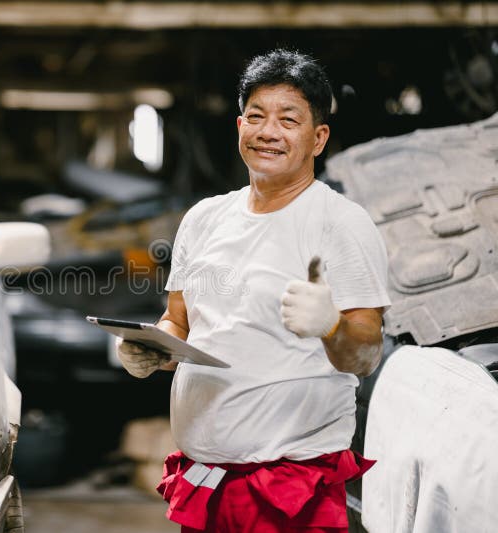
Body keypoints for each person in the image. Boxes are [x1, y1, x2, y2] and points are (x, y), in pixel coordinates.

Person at [117, 49, 391, 532]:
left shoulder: (341, 223)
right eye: (257, 116)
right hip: (207, 480)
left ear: (319, 138)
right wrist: (152, 348)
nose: (269, 131)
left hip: (292, 489)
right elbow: (178, 322)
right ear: (239, 126)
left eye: (289, 120)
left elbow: (366, 356)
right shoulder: (204, 219)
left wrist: (331, 326)